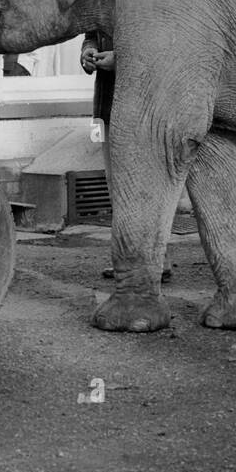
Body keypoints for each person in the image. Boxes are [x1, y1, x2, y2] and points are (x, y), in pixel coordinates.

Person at [81, 30, 172, 283]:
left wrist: (120, 59)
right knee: (116, 186)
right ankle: (128, 259)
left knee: (146, 185)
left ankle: (156, 260)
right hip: (104, 110)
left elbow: (159, 48)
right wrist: (86, 54)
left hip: (141, 110)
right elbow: (90, 36)